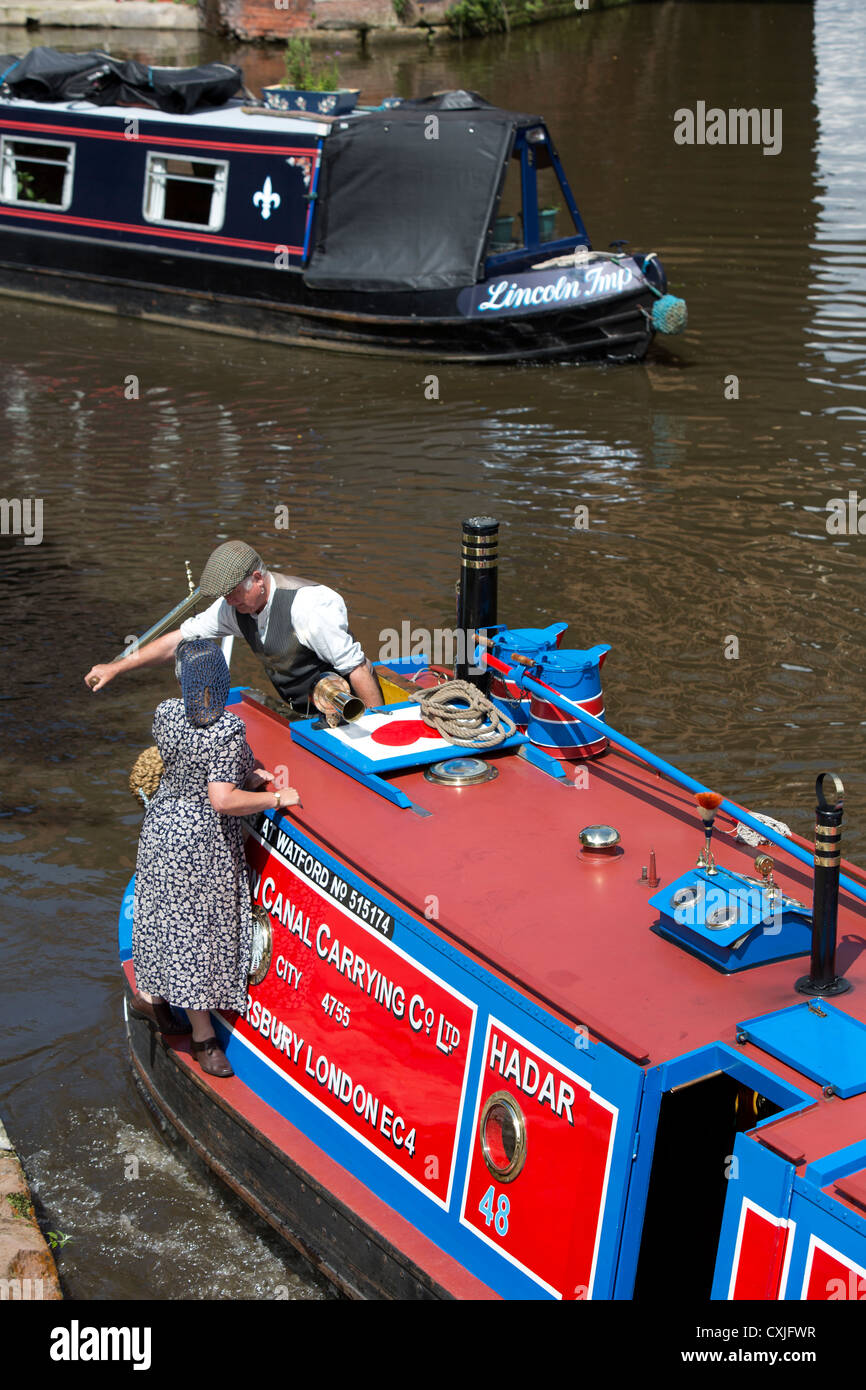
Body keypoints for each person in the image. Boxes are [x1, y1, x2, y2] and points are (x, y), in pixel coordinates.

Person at [131, 639, 300, 1078]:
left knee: (163, 921)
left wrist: (246, 769)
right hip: (200, 845)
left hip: (161, 829)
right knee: (199, 936)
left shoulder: (166, 712)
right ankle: (205, 1038)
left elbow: (195, 763)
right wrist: (276, 796)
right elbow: (223, 800)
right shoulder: (226, 728)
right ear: (220, 680)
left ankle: (151, 998)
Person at [84, 540, 383, 712]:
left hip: (347, 708)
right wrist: (117, 667)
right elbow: (177, 640)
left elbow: (357, 668)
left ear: (256, 578)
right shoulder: (235, 606)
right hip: (303, 712)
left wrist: (376, 726)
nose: (229, 602)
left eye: (234, 593)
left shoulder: (309, 607)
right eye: (225, 596)